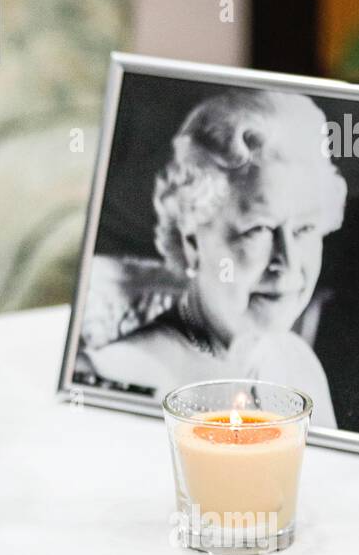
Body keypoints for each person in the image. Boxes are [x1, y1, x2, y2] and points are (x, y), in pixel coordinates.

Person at [86, 90, 344, 426]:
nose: (289, 261)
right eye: (259, 229)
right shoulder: (130, 373)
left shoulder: (297, 362)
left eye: (305, 228)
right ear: (191, 237)